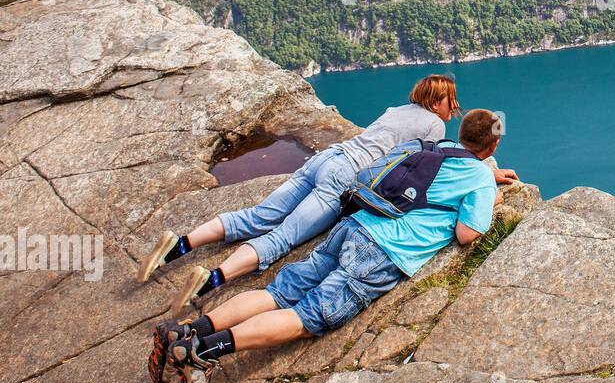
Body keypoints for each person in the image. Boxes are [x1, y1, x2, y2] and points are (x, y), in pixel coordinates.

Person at [149, 108, 507, 383]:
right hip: (381, 253)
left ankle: (187, 331)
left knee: (278, 293)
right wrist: (489, 199)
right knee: (306, 318)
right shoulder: (479, 178)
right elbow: (467, 234)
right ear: (492, 145)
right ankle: (201, 350)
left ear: (462, 135)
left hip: (353, 225)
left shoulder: (435, 147)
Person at [139, 74, 484, 313]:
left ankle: (180, 244)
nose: (454, 107)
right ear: (436, 100)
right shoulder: (434, 124)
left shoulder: (396, 110)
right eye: (450, 101)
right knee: (282, 238)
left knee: (259, 216)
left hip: (329, 157)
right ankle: (212, 279)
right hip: (343, 177)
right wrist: (484, 173)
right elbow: (429, 163)